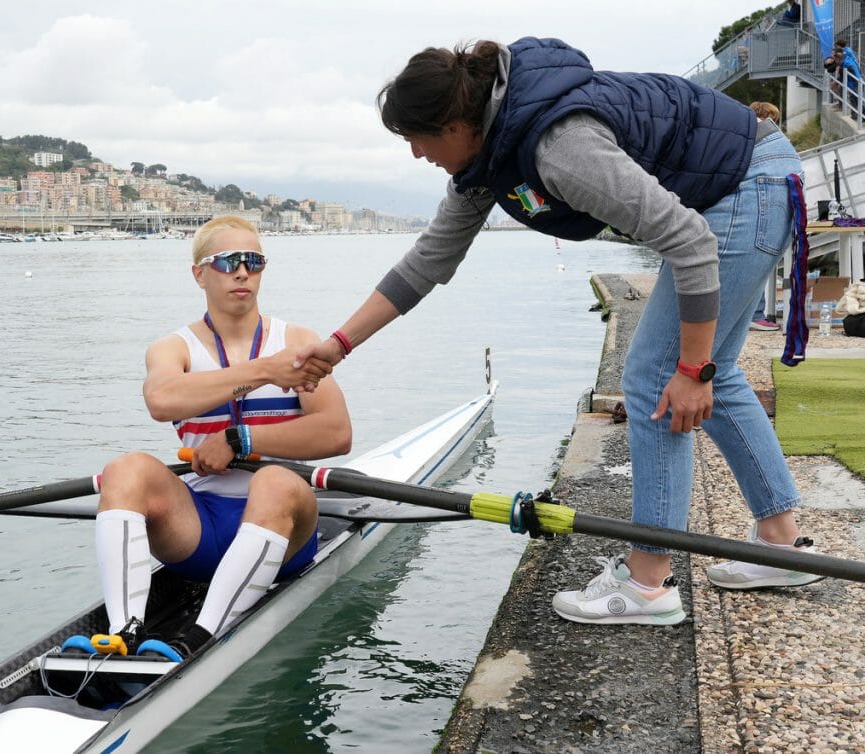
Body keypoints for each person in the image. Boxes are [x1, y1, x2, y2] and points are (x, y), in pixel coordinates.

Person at [292, 37, 822, 626]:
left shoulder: (560, 148)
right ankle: (781, 545)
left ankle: (647, 583)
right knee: (699, 376)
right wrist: (338, 345)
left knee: (657, 378)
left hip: (747, 188)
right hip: (757, 176)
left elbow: (691, 243)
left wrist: (693, 369)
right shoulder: (490, 156)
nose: (417, 153)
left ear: (455, 124)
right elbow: (427, 262)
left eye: (417, 137)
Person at [63, 215, 350, 660]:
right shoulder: (172, 348)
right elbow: (161, 401)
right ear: (199, 274)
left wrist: (242, 440)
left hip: (285, 528)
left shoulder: (297, 340)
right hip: (198, 530)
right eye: (229, 261)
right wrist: (265, 371)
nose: (243, 272)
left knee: (273, 481)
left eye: (254, 261)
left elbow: (337, 432)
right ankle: (124, 632)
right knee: (125, 470)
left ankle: (200, 637)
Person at [748, 102, 782, 332]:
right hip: (757, 203)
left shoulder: (742, 134)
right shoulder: (764, 136)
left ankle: (755, 313)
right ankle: (756, 314)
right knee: (756, 263)